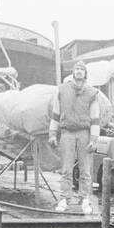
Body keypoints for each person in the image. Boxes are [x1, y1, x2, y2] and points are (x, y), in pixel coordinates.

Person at [47, 60, 102, 214]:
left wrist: (94, 139)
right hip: (67, 133)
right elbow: (55, 115)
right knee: (66, 168)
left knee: (86, 169)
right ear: (73, 72)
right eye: (77, 69)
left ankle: (85, 199)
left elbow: (95, 118)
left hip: (84, 133)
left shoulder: (92, 93)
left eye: (82, 69)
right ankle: (64, 199)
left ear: (85, 73)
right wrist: (52, 134)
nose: (79, 71)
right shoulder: (62, 90)